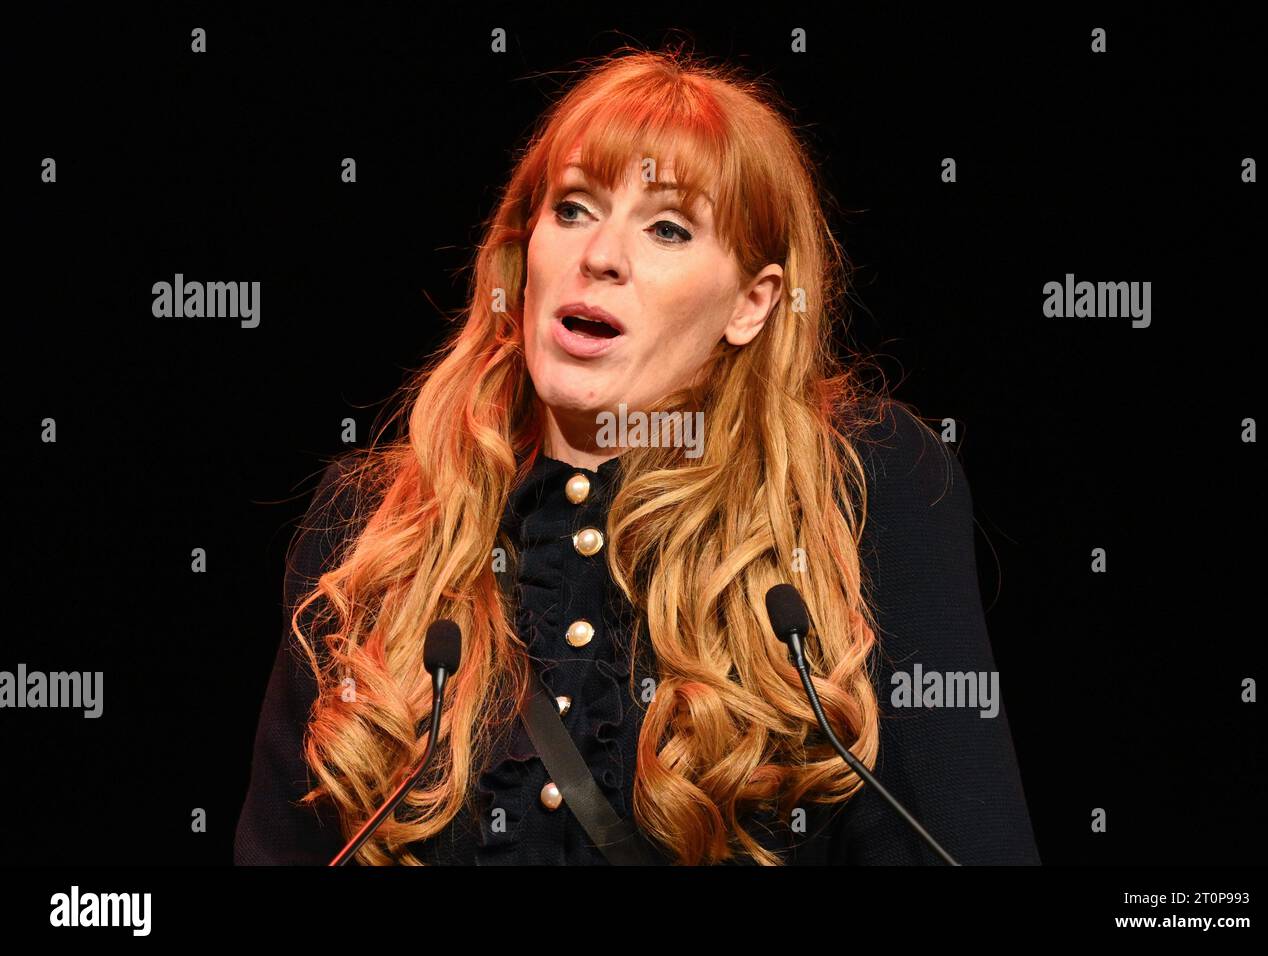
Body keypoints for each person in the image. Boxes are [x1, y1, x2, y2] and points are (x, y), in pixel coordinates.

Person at [234, 47, 1039, 866]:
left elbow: (964, 838)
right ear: (525, 249)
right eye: (574, 208)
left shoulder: (859, 483)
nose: (601, 255)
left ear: (752, 304)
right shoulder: (373, 524)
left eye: (667, 228)